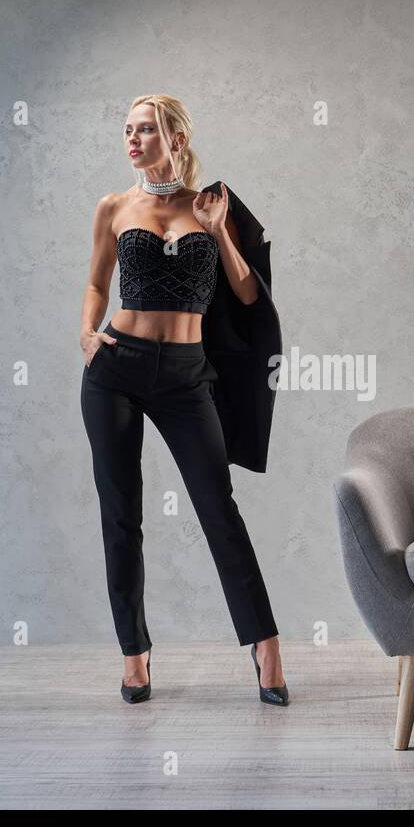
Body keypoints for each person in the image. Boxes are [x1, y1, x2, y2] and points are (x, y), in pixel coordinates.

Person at [79, 93, 288, 706]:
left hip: (187, 373)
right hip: (115, 368)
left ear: (176, 137)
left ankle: (266, 647)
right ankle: (134, 655)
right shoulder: (114, 206)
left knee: (218, 508)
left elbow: (247, 295)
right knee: (121, 515)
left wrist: (220, 232)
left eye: (145, 129)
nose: (132, 139)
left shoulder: (211, 205)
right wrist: (87, 334)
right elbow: (96, 282)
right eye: (127, 129)